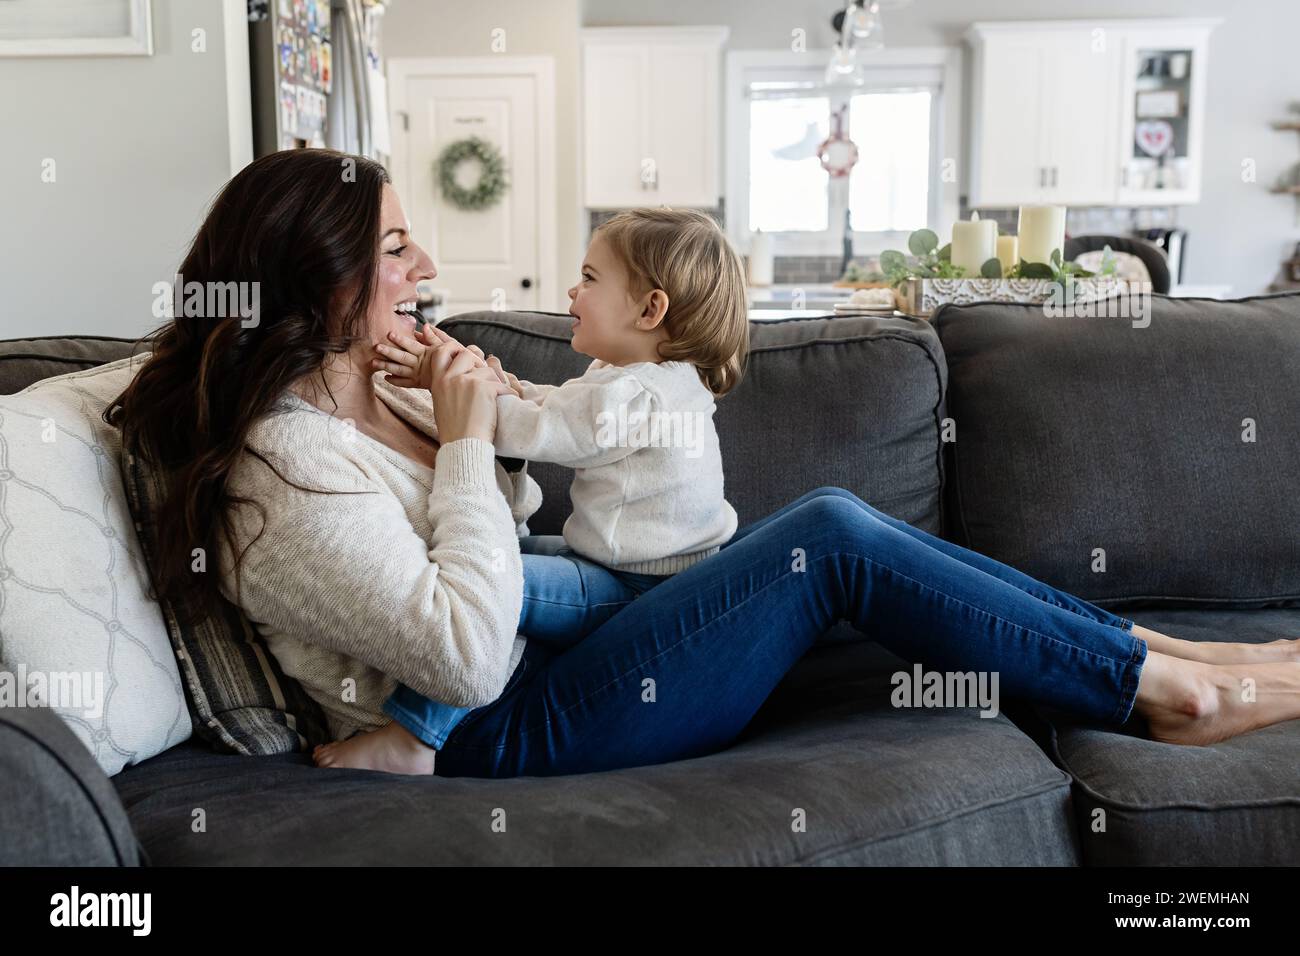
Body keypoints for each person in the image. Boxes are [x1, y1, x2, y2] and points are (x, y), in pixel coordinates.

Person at [104, 148, 1300, 782]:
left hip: (549, 660)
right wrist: (467, 438)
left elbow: (508, 515)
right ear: (317, 280)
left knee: (840, 537)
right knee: (828, 532)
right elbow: (464, 650)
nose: (426, 270)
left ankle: (1166, 656)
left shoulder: (356, 388)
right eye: (398, 247)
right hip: (503, 724)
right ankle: (1175, 693)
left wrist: (455, 417)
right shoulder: (281, 470)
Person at [338, 208, 748, 759]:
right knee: (506, 552)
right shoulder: (635, 377)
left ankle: (414, 738)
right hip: (622, 565)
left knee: (494, 584)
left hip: (636, 589)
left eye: (590, 279)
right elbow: (555, 404)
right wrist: (491, 382)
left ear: (650, 309)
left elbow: (544, 430)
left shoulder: (639, 398)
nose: (572, 291)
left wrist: (458, 391)